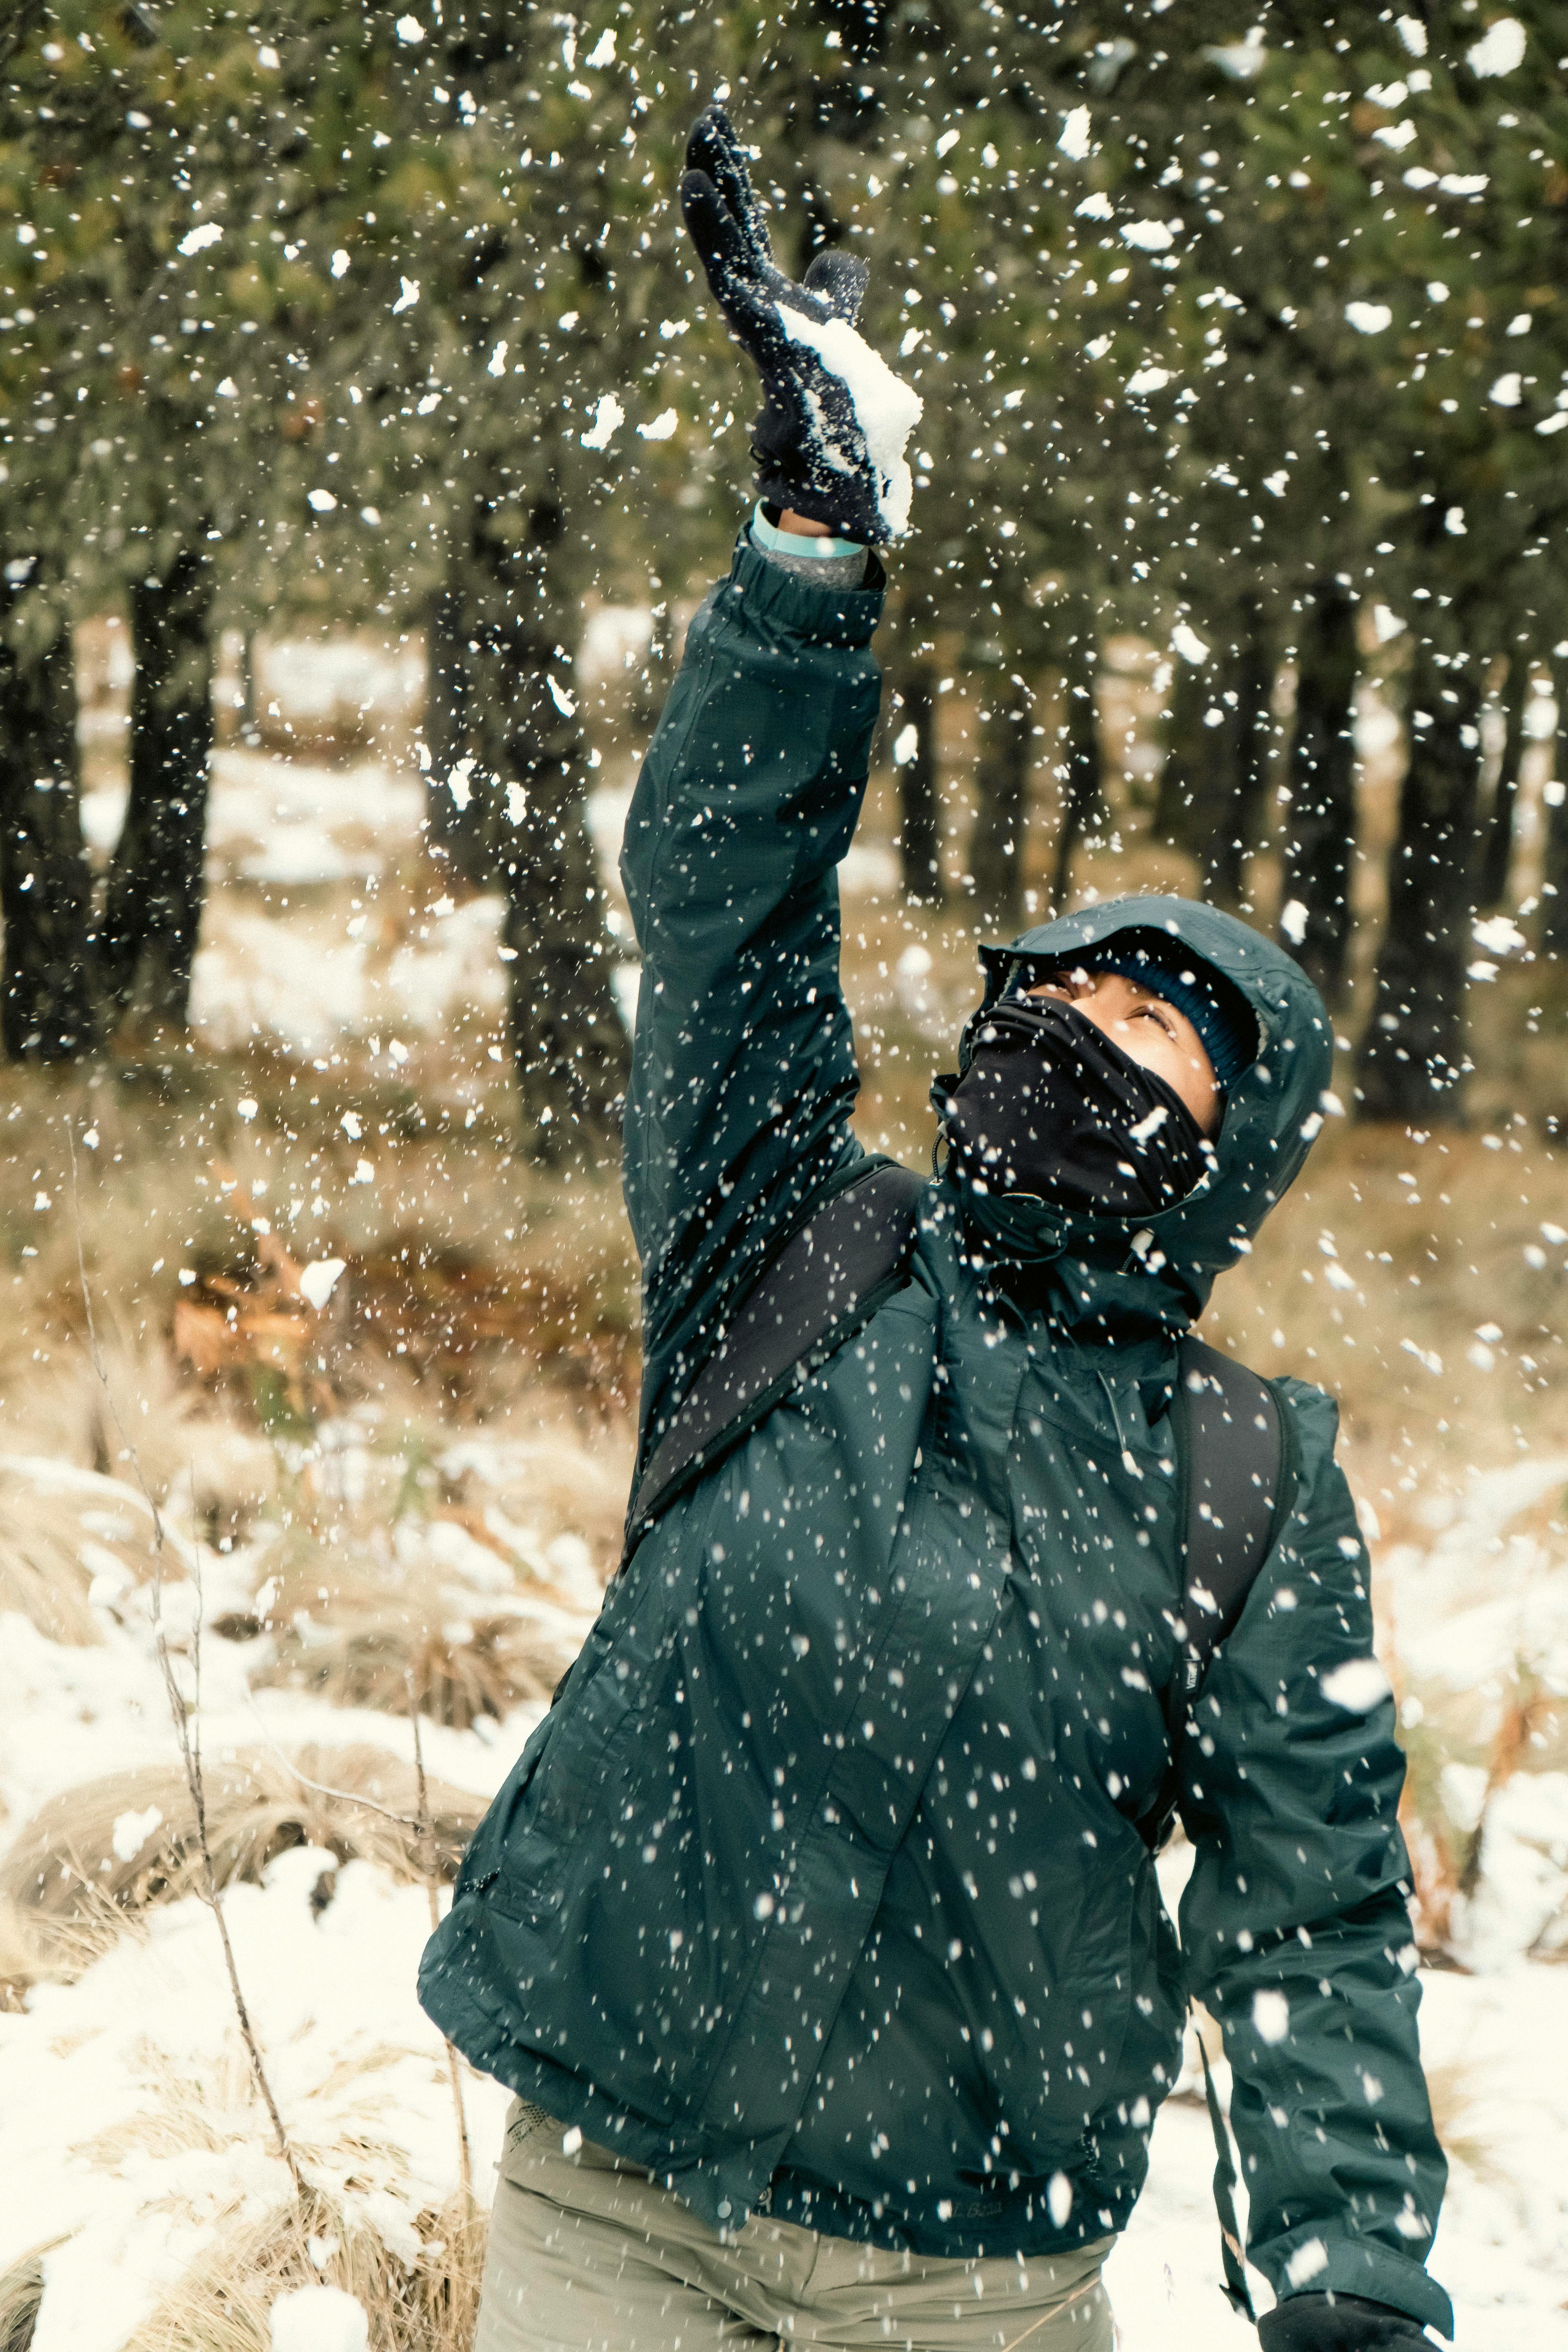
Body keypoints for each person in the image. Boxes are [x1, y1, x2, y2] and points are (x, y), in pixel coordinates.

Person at [420, 109, 1452, 2352]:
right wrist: (809, 560)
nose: (1081, 1044)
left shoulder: (1249, 1474)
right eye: (1059, 992)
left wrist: (1356, 2280)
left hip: (969, 2278)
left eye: (1155, 1043)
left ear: (1217, 1161)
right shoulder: (791, 1238)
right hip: (614, 2202)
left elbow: (1312, 1928)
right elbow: (723, 895)